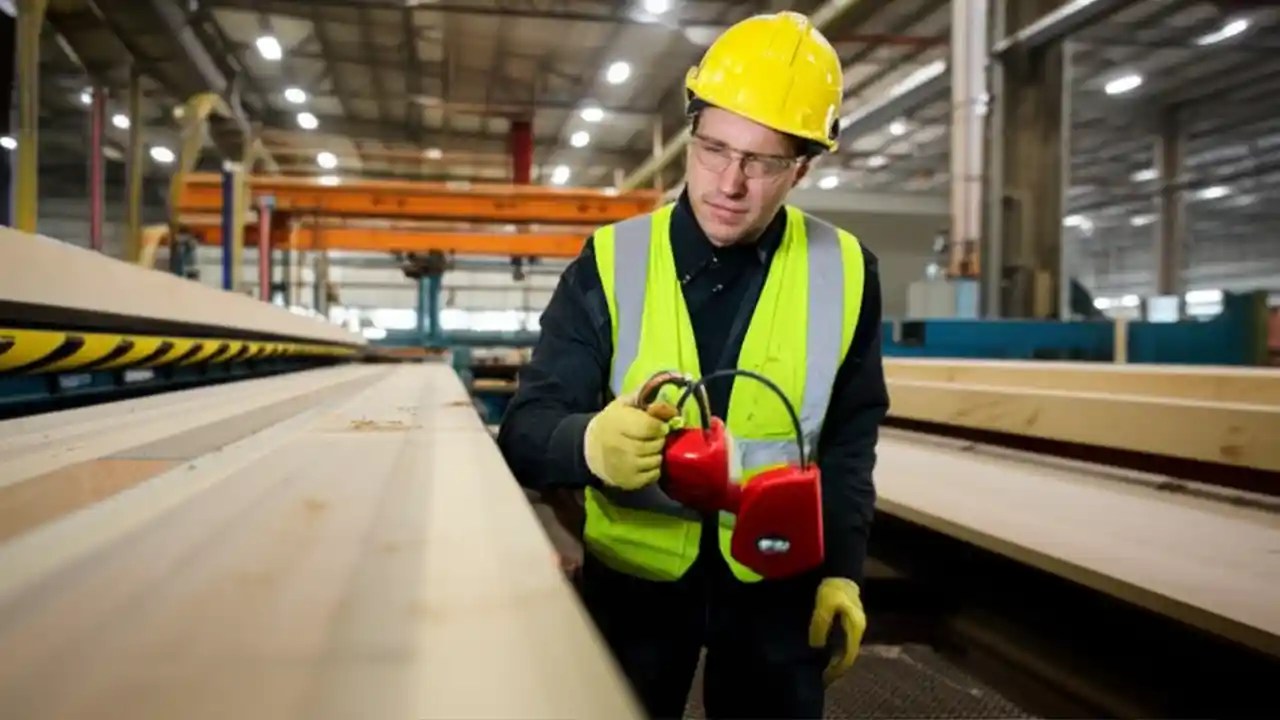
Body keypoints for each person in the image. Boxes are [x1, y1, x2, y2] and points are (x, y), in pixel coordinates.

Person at [497, 10, 888, 719]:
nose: (728, 182)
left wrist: (843, 574)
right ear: (692, 131)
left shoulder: (848, 271)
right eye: (713, 148)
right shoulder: (612, 262)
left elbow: (849, 440)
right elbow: (525, 431)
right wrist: (587, 444)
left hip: (778, 585)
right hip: (635, 591)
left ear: (802, 166)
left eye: (761, 162)